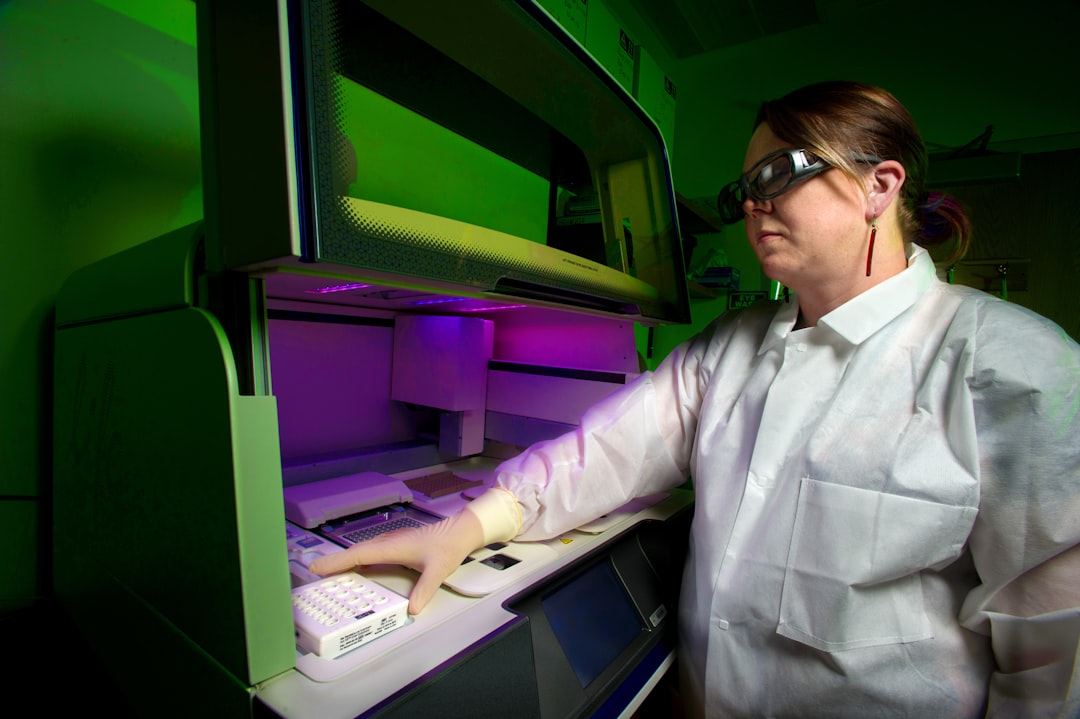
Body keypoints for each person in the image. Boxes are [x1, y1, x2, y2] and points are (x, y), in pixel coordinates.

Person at [310, 80, 1080, 718]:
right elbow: (606, 452)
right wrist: (469, 525)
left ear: (879, 185)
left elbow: (1056, 647)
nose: (751, 204)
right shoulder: (730, 348)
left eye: (778, 174)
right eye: (744, 188)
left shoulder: (1010, 364)